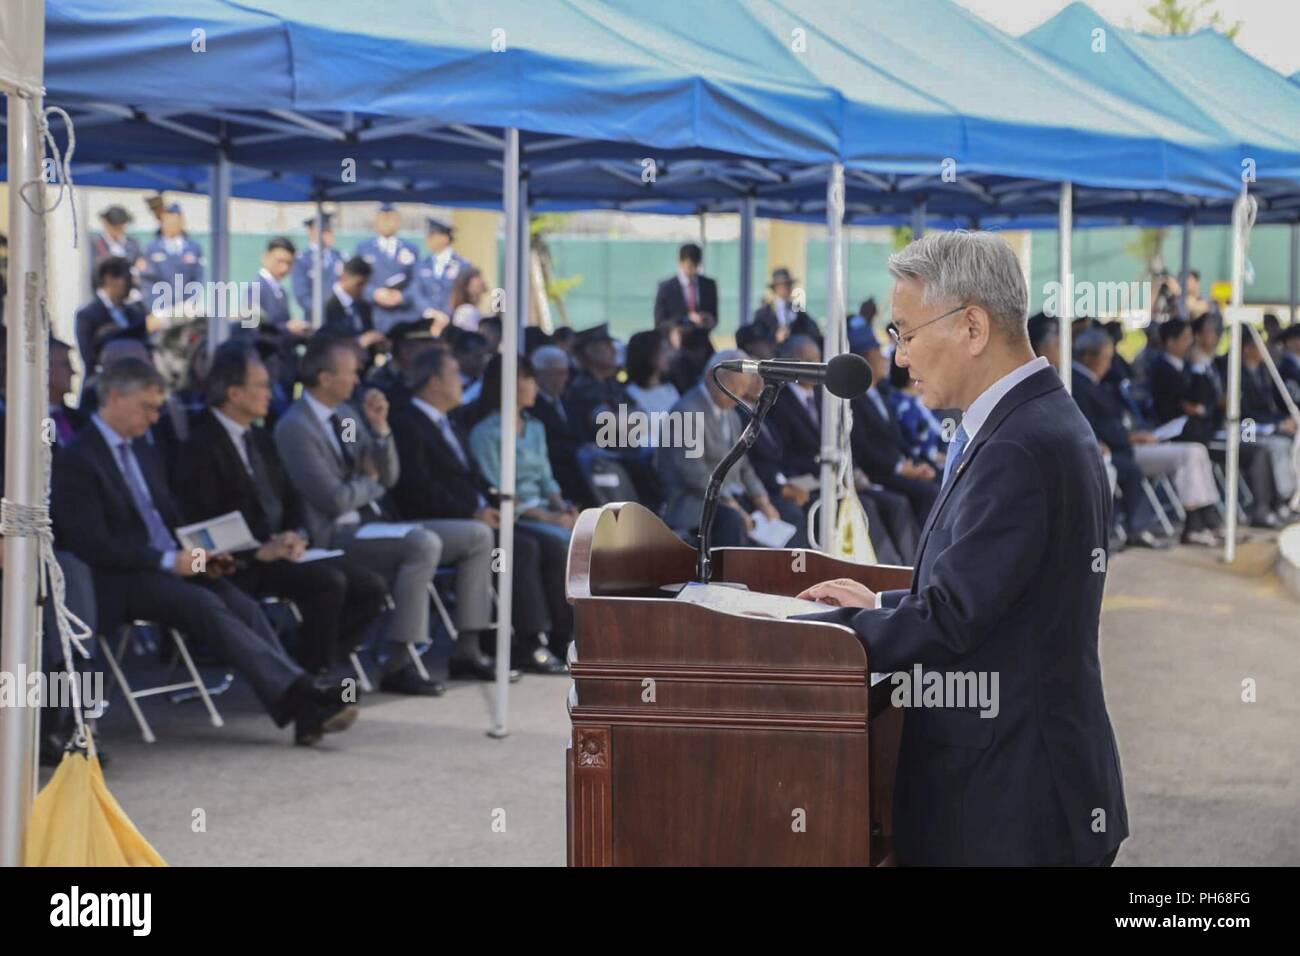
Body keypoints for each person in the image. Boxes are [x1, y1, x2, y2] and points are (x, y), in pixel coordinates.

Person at [795, 231, 1127, 866]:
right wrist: (882, 604)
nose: (899, 358)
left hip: (1014, 800)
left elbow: (952, 620)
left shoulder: (1019, 443)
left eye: (906, 333)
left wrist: (810, 632)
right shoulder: (1031, 418)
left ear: (972, 326)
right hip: (1022, 782)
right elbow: (995, 593)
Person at [51, 358, 358, 746]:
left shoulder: (143, 450)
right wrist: (169, 561)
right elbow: (91, 544)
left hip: (171, 563)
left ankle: (301, 704)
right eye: (147, 407)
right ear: (114, 398)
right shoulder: (78, 459)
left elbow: (168, 517)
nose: (154, 417)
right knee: (203, 604)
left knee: (241, 604)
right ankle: (303, 696)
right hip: (120, 576)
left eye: (157, 408)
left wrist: (205, 555)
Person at [274, 335, 495, 695]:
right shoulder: (296, 426)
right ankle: (399, 661)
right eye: (350, 373)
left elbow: (388, 474)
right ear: (325, 378)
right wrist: (370, 480)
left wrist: (380, 431)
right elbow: (334, 500)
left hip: (375, 524)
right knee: (422, 544)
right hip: (334, 534)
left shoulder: (346, 416)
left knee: (478, 536)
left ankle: (468, 648)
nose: (357, 380)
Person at [176, 342, 389, 675]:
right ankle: (311, 672)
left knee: (371, 586)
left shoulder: (264, 437)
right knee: (329, 583)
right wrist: (258, 551)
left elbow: (291, 496)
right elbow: (202, 520)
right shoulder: (201, 445)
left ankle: (299, 660)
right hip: (238, 560)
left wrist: (294, 534)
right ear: (234, 394)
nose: (270, 393)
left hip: (285, 548)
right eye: (261, 385)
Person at [392, 348, 566, 673]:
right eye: (453, 375)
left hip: (477, 516)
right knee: (522, 547)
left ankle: (561, 636)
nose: (461, 383)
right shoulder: (407, 423)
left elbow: (475, 478)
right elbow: (419, 488)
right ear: (433, 382)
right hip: (440, 520)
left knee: (549, 546)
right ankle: (527, 641)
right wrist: (471, 513)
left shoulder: (449, 423)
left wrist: (493, 504)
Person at [768, 334, 918, 564]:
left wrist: (852, 472)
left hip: (838, 477)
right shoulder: (779, 401)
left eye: (818, 358)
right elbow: (784, 452)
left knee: (893, 502)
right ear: (794, 363)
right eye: (809, 360)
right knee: (866, 505)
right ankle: (886, 569)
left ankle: (906, 567)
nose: (817, 365)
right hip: (806, 482)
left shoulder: (824, 397)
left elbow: (843, 441)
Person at [1072, 328, 1220, 548]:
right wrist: (1130, 437)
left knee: (1196, 450)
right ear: (1088, 356)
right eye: (1106, 358)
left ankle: (1203, 516)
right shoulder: (1077, 383)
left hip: (1133, 442)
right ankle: (1193, 524)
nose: (1109, 365)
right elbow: (1091, 426)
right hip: (1119, 449)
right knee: (1187, 454)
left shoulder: (1102, 381)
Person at [654, 350, 791, 547]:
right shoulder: (686, 412)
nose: (737, 396)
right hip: (695, 501)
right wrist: (730, 503)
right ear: (713, 378)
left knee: (784, 511)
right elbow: (693, 473)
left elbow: (743, 464)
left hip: (732, 496)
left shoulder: (731, 414)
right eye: (733, 389)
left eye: (742, 391)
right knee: (733, 520)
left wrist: (762, 499)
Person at [848, 327, 940, 525]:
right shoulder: (854, 400)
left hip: (898, 466)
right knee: (926, 493)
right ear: (866, 358)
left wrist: (917, 464)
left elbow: (898, 439)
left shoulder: (881, 394)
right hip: (881, 472)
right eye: (878, 353)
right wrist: (898, 468)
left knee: (940, 478)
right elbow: (863, 447)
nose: (884, 359)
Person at [75, 257, 150, 399]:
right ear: (109, 278)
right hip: (101, 393)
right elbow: (90, 358)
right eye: (127, 278)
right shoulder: (87, 315)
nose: (131, 285)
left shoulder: (135, 313)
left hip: (135, 391)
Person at [529, 343, 591, 506]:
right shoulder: (530, 406)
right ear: (537, 374)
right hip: (554, 476)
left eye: (564, 373)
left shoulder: (572, 401)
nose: (561, 379)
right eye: (554, 373)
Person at [354, 203, 422, 332]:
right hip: (372, 315)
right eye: (383, 218)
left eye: (391, 218)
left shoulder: (411, 249)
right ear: (375, 222)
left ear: (398, 221)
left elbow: (417, 281)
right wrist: (374, 293)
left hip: (403, 316)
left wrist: (402, 296)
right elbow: (357, 279)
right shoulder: (363, 248)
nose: (387, 223)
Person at [140, 203, 204, 310]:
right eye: (167, 221)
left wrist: (189, 304)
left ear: (181, 221)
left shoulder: (193, 248)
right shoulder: (152, 249)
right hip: (159, 308)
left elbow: (197, 278)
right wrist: (156, 307)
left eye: (174, 221)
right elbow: (147, 281)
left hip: (185, 308)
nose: (170, 225)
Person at [624, 330, 681, 442]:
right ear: (647, 354)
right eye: (663, 350)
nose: (669, 355)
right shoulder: (629, 394)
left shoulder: (670, 389)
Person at [323, 255, 388, 352]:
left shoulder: (364, 307)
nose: (363, 289)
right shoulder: (325, 305)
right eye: (359, 284)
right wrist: (358, 343)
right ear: (344, 277)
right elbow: (324, 344)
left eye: (366, 284)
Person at [411, 217, 465, 332]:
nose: (428, 239)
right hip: (426, 323)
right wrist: (430, 312)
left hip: (453, 324)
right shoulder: (422, 264)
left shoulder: (462, 265)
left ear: (445, 238)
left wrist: (445, 315)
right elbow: (416, 292)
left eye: (433, 235)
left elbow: (462, 294)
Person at [653, 243, 718, 332]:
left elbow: (715, 318)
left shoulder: (709, 285)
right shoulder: (665, 288)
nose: (692, 270)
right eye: (689, 265)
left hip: (701, 338)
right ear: (680, 262)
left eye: (695, 266)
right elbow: (660, 323)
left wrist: (707, 320)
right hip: (675, 339)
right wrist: (686, 319)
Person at [291, 213, 345, 318]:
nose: (329, 234)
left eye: (330, 231)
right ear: (311, 232)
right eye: (324, 231)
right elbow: (302, 296)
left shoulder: (340, 256)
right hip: (315, 317)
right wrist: (323, 309)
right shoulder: (303, 260)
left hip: (340, 316)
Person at [249, 237, 306, 335]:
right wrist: (287, 328)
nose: (285, 268)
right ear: (266, 257)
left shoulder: (281, 291)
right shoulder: (256, 288)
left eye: (289, 263)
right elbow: (254, 329)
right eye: (280, 261)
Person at [751, 267, 819, 343]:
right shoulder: (764, 313)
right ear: (774, 288)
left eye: (787, 285)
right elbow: (758, 336)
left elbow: (813, 330)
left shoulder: (798, 311)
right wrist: (775, 337)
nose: (785, 289)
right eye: (781, 286)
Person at [90, 205, 144, 287]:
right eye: (115, 225)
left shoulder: (132, 243)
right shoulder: (95, 244)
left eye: (121, 225)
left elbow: (141, 264)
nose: (118, 228)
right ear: (105, 223)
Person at [448, 266, 489, 333]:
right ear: (466, 286)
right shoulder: (466, 311)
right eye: (477, 277)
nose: (482, 281)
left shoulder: (471, 310)